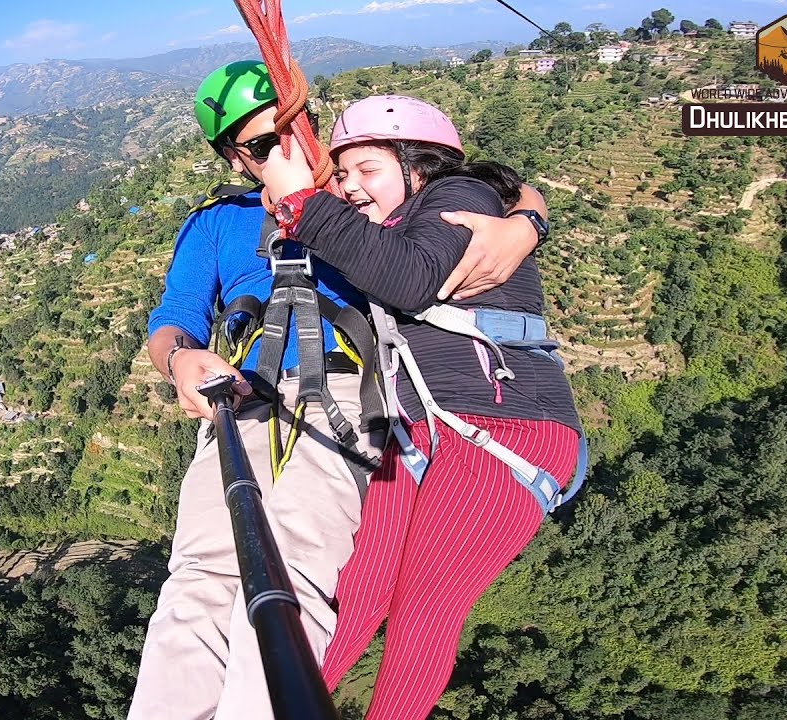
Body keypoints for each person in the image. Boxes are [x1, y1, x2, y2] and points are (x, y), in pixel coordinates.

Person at [130, 62, 547, 720]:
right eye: (263, 146)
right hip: (238, 393)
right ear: (237, 160)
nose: (285, 151)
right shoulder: (215, 224)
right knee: (200, 579)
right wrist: (179, 359)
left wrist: (527, 216)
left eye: (293, 131)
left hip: (346, 396)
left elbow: (469, 188)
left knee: (289, 567)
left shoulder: (365, 202)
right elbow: (172, 320)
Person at [259, 95, 586, 719]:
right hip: (425, 434)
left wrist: (308, 202)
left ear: (419, 167)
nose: (352, 188)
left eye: (369, 171)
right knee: (354, 595)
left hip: (508, 428)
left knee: (423, 609)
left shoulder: (458, 198)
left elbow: (412, 278)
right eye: (344, 175)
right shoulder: (394, 228)